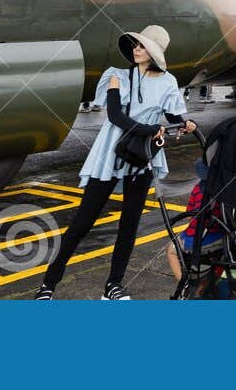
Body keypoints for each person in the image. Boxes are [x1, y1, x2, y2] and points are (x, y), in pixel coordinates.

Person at [37, 26, 196, 299]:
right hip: (111, 152)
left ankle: (113, 286)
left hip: (143, 155)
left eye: (142, 46)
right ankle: (48, 284)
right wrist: (149, 129)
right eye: (135, 44)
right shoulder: (117, 76)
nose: (136, 49)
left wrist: (186, 123)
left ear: (154, 53)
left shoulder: (168, 82)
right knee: (83, 221)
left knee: (129, 224)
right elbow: (114, 116)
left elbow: (172, 116)